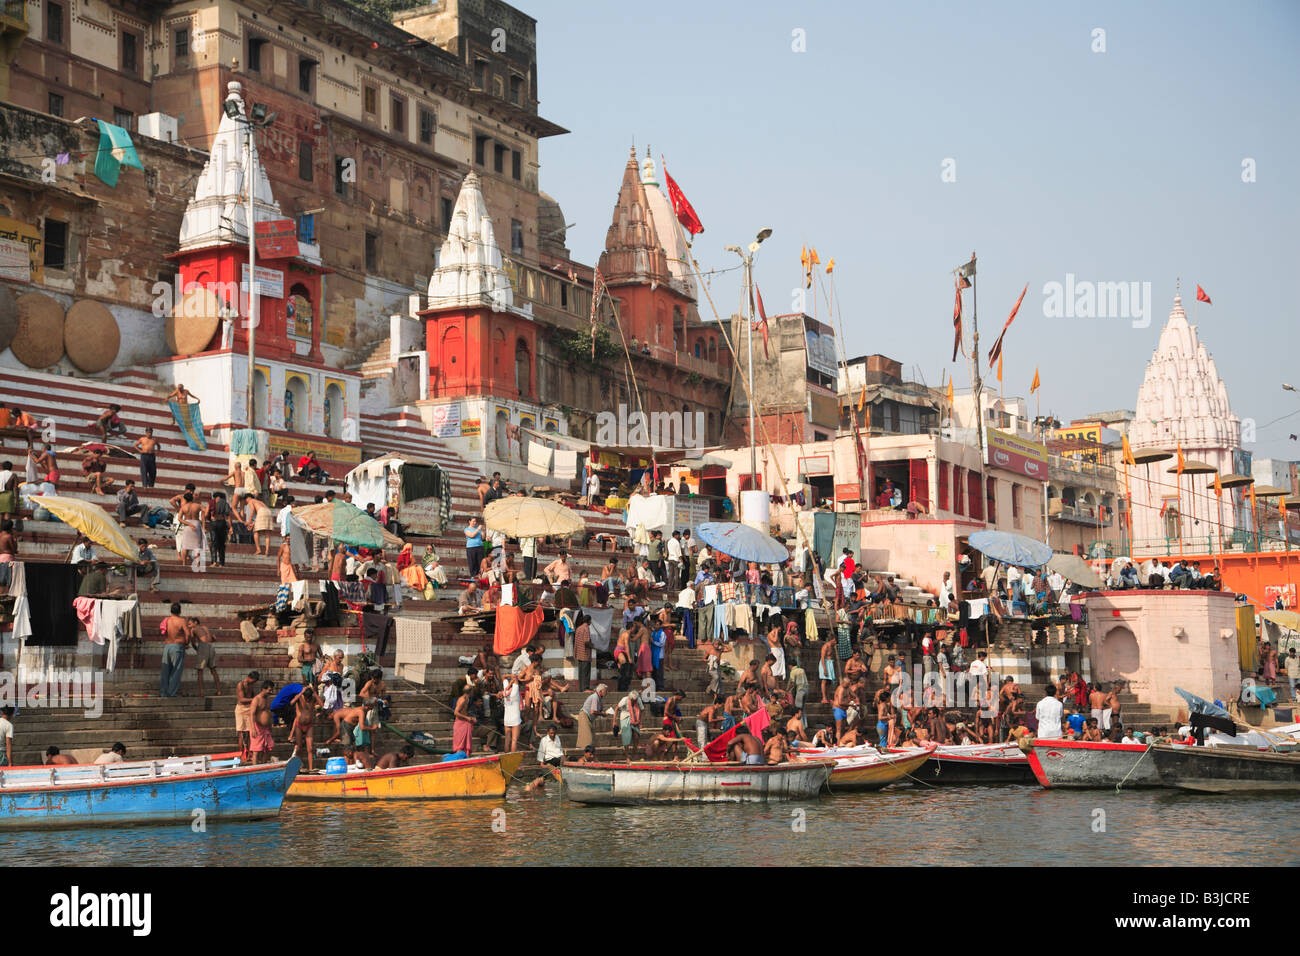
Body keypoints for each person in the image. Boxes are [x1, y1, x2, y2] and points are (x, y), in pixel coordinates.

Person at [160, 603, 191, 698]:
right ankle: (171, 693)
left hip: (167, 647)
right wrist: (186, 643)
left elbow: (163, 632)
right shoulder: (182, 621)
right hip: (177, 647)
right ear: (180, 611)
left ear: (171, 611)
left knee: (165, 671)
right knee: (176, 671)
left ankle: (163, 693)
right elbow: (188, 634)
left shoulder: (167, 620)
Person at [189, 617, 221, 697]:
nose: (189, 626)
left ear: (195, 622)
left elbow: (192, 642)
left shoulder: (193, 630)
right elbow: (210, 639)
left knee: (200, 671)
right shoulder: (205, 627)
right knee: (213, 670)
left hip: (203, 647)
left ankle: (201, 692)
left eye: (190, 624)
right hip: (211, 647)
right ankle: (219, 691)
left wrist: (196, 649)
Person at [290, 686, 319, 771]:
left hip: (309, 725)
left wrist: (315, 693)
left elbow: (322, 705)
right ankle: (299, 767)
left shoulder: (313, 698)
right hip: (299, 725)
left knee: (310, 748)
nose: (307, 700)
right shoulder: (299, 697)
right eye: (306, 698)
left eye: (309, 698)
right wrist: (301, 693)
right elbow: (291, 703)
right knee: (299, 747)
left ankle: (311, 768)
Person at [248, 680, 277, 764]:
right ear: (263, 689)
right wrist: (253, 729)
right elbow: (252, 714)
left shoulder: (267, 699)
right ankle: (254, 769)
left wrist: (270, 726)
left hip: (266, 728)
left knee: (269, 747)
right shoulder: (256, 699)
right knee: (256, 750)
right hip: (257, 727)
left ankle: (263, 765)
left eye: (271, 690)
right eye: (269, 690)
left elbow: (268, 713)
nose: (271, 692)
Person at [235, 671, 260, 756]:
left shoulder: (251, 685)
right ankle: (241, 754)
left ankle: (249, 752)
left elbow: (252, 696)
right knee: (241, 733)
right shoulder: (240, 685)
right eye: (253, 680)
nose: (254, 682)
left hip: (249, 709)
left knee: (251, 732)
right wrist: (255, 699)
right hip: (241, 709)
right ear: (249, 677)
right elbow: (241, 699)